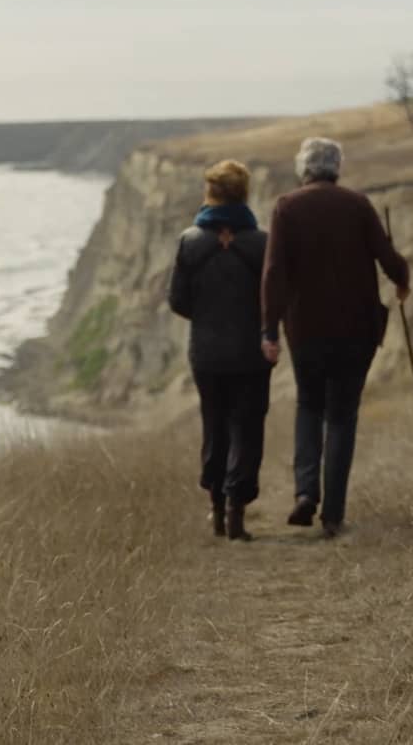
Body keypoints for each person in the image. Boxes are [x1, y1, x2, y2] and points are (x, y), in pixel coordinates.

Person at [260, 137, 409, 538]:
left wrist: (269, 328)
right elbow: (388, 257)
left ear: (303, 169)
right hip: (356, 330)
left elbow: (273, 273)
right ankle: (334, 516)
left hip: (306, 329)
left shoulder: (286, 207)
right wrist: (402, 281)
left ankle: (306, 492)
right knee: (342, 416)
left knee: (309, 404)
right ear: (336, 167)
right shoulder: (357, 205)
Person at [168, 160, 271, 541]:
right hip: (251, 352)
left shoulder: (190, 241)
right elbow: (272, 298)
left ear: (209, 194)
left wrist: (207, 315)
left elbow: (177, 300)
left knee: (214, 425)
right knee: (248, 428)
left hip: (207, 352)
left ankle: (215, 507)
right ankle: (237, 512)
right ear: (244, 195)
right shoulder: (262, 243)